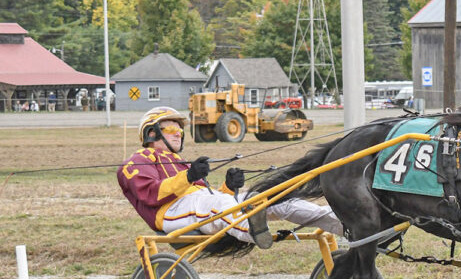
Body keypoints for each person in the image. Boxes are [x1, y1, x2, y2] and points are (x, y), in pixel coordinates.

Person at [117, 106, 342, 250]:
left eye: (180, 130)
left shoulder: (180, 162)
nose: (178, 133)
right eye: (170, 129)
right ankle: (253, 231)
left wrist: (229, 187)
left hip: (201, 207)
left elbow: (214, 204)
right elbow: (151, 194)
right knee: (215, 204)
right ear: (151, 133)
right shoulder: (136, 162)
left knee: (273, 198)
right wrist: (189, 176)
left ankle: (343, 225)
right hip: (169, 213)